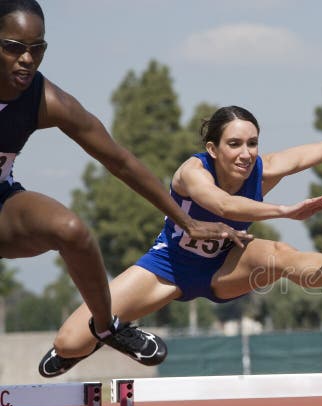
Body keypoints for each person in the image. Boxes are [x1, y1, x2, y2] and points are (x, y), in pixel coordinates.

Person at [38, 80, 322, 377]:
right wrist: (283, 210)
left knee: (279, 256)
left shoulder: (262, 170)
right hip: (169, 267)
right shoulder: (191, 173)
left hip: (226, 267)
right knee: (69, 342)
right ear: (213, 148)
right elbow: (223, 205)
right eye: (235, 144)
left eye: (253, 143)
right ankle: (111, 332)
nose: (246, 153)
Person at [0, 0, 252, 367]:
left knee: (72, 231)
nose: (27, 59)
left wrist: (187, 222)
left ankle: (105, 327)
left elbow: (120, 161)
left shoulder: (46, 99)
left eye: (37, 49)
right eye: (13, 48)